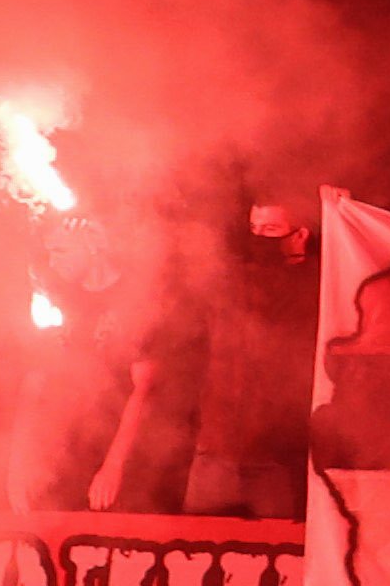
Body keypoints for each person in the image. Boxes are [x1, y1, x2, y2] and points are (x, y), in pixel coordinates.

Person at [96, 193, 323, 521]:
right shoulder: (229, 284)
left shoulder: (317, 291)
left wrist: (340, 220)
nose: (258, 239)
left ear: (300, 235)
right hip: (215, 458)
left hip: (278, 464)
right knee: (199, 559)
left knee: (278, 562)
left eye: (271, 230)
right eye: (253, 228)